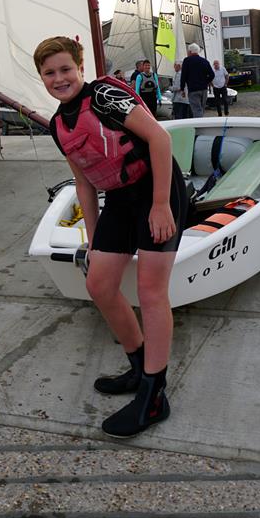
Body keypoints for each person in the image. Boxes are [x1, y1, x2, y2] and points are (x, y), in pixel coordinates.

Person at [33, 35, 187, 438]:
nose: (59, 78)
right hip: (119, 199)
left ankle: (154, 395)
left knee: (151, 291)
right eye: (50, 73)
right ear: (42, 79)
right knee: (99, 284)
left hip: (158, 190)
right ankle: (138, 369)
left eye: (66, 69)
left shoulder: (103, 96)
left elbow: (160, 138)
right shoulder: (57, 124)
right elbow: (83, 182)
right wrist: (94, 235)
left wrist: (159, 205)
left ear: (80, 68)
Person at [180, 44, 214, 118]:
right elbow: (212, 75)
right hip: (204, 89)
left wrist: (182, 89)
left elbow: (183, 76)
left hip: (193, 90)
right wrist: (206, 82)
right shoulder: (205, 61)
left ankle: (199, 127)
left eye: (188, 51)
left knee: (196, 110)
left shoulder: (187, 60)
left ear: (190, 51)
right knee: (201, 110)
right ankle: (201, 124)